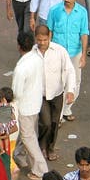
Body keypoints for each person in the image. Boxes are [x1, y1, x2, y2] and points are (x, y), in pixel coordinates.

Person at [32, 25, 76, 163]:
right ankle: (40, 147)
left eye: (44, 40)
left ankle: (50, 148)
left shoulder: (59, 51)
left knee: (54, 122)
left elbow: (69, 70)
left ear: (49, 37)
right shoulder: (32, 53)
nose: (42, 43)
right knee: (45, 123)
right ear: (36, 38)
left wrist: (70, 90)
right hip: (41, 95)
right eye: (39, 40)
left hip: (57, 93)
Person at [47, 0, 89, 121]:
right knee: (58, 83)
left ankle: (66, 109)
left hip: (75, 52)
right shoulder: (54, 11)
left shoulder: (82, 12)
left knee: (75, 81)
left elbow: (84, 33)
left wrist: (83, 55)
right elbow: (50, 32)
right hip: (57, 53)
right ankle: (58, 114)